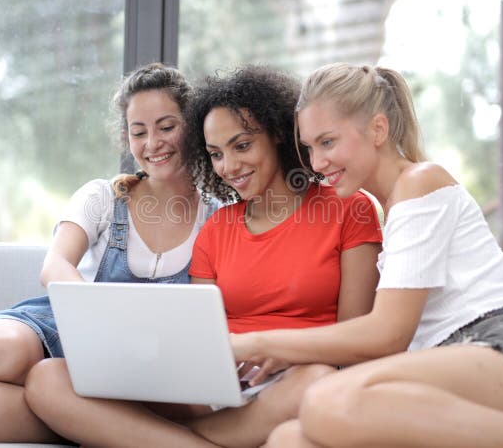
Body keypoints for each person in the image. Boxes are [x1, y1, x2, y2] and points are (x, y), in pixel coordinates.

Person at [218, 62, 503, 448]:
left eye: (328, 142)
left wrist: (258, 342)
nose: (317, 162)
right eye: (309, 147)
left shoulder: (421, 182)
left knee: (327, 399)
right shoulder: (391, 210)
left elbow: (387, 333)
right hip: (447, 364)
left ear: (377, 129)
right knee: (290, 439)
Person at [23, 65, 384, 447]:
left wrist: (279, 348)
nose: (229, 167)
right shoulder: (216, 228)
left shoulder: (348, 209)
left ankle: (162, 440)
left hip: (294, 380)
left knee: (319, 381)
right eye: (215, 154)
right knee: (48, 379)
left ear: (278, 134)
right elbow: (197, 335)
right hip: (214, 390)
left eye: (242, 146)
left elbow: (355, 339)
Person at [0, 63, 220, 443]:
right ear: (126, 138)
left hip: (141, 368)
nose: (152, 143)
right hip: (59, 328)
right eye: (138, 132)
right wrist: (94, 314)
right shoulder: (104, 197)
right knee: (0, 353)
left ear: (192, 126)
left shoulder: (218, 217)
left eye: (166, 126)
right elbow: (55, 264)